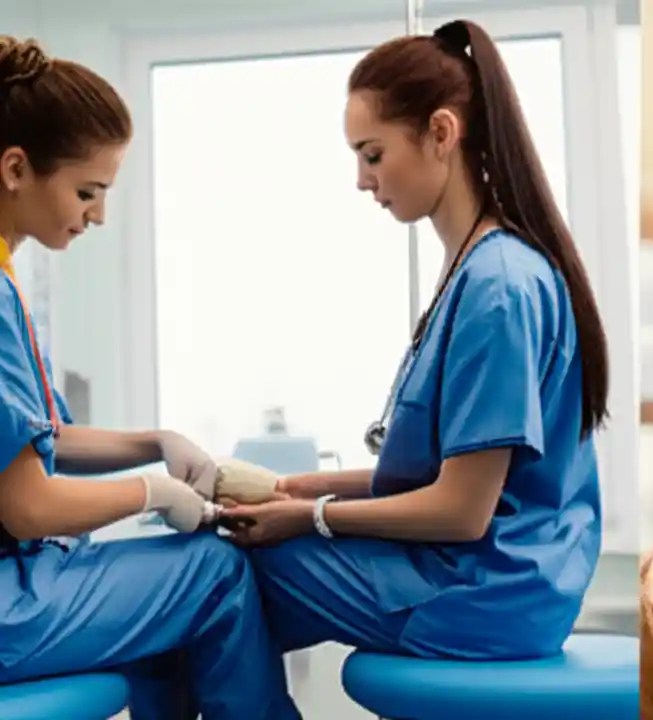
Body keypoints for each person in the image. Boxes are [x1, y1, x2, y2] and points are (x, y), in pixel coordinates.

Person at [221, 19, 611, 662]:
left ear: (440, 134)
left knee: (211, 578)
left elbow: (460, 510)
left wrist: (310, 516)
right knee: (217, 619)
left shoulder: (498, 287)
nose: (361, 179)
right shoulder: (480, 270)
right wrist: (297, 490)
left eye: (372, 154)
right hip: (501, 579)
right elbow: (437, 474)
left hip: (485, 592)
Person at [0, 36, 299, 719]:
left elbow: (43, 437)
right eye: (87, 192)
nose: (97, 216)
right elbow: (26, 506)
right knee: (212, 572)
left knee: (163, 593)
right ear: (16, 168)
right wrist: (151, 492)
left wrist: (158, 442)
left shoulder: (8, 277)